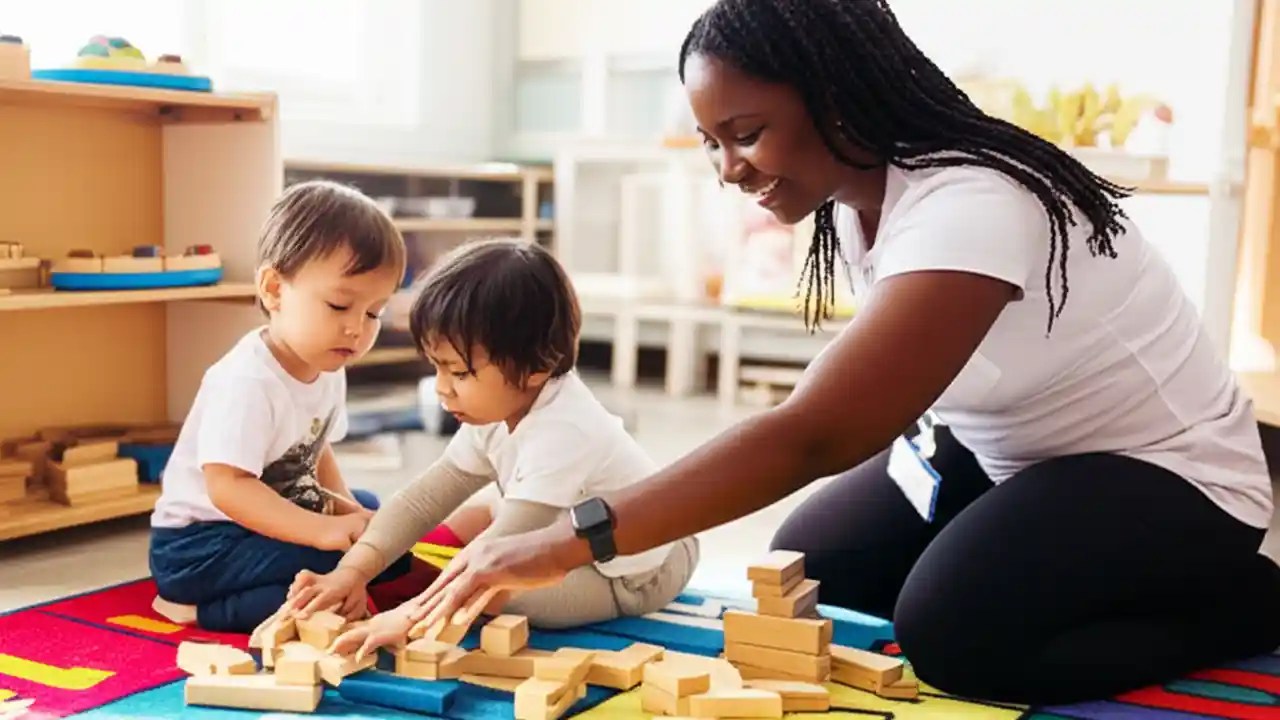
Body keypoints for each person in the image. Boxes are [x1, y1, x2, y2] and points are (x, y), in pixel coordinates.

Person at [394, 0, 1280, 707]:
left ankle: (1251, 601)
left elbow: (813, 433)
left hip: (1160, 473)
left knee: (957, 638)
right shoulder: (860, 204)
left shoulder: (973, 202)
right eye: (711, 142)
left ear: (836, 96)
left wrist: (570, 541)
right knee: (817, 567)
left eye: (745, 133)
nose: (728, 169)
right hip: (1010, 451)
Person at [283, 238, 700, 659]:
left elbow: (496, 558)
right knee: (480, 512)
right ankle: (413, 577)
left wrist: (407, 618)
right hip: (564, 530)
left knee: (492, 590)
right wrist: (351, 570)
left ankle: (416, 587)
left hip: (632, 576)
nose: (442, 388)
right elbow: (423, 499)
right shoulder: (500, 406)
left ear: (537, 367)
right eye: (436, 367)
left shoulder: (565, 432)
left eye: (459, 371)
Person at [148, 180, 414, 633]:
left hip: (266, 517)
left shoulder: (329, 362)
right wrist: (321, 532)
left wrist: (346, 510)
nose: (357, 329)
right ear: (274, 289)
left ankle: (333, 556)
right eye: (339, 305)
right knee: (324, 569)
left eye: (373, 313)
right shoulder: (246, 380)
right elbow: (229, 487)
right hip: (199, 545)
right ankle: (194, 611)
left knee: (380, 529)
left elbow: (317, 450)